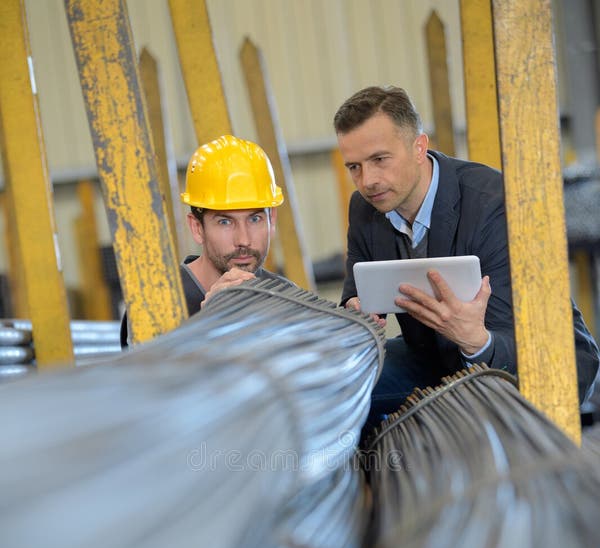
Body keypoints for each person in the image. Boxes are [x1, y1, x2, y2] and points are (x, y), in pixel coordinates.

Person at [333, 85, 600, 423]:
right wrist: (356, 314)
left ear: (419, 147)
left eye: (379, 160)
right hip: (434, 358)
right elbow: (354, 292)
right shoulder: (364, 208)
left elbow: (516, 335)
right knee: (335, 388)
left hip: (530, 360)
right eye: (354, 167)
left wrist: (476, 342)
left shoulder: (493, 203)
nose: (367, 180)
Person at [120, 134, 289, 347]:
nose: (244, 240)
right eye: (225, 222)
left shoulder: (284, 297)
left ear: (272, 219)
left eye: (255, 219)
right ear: (197, 227)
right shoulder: (155, 307)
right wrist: (208, 323)